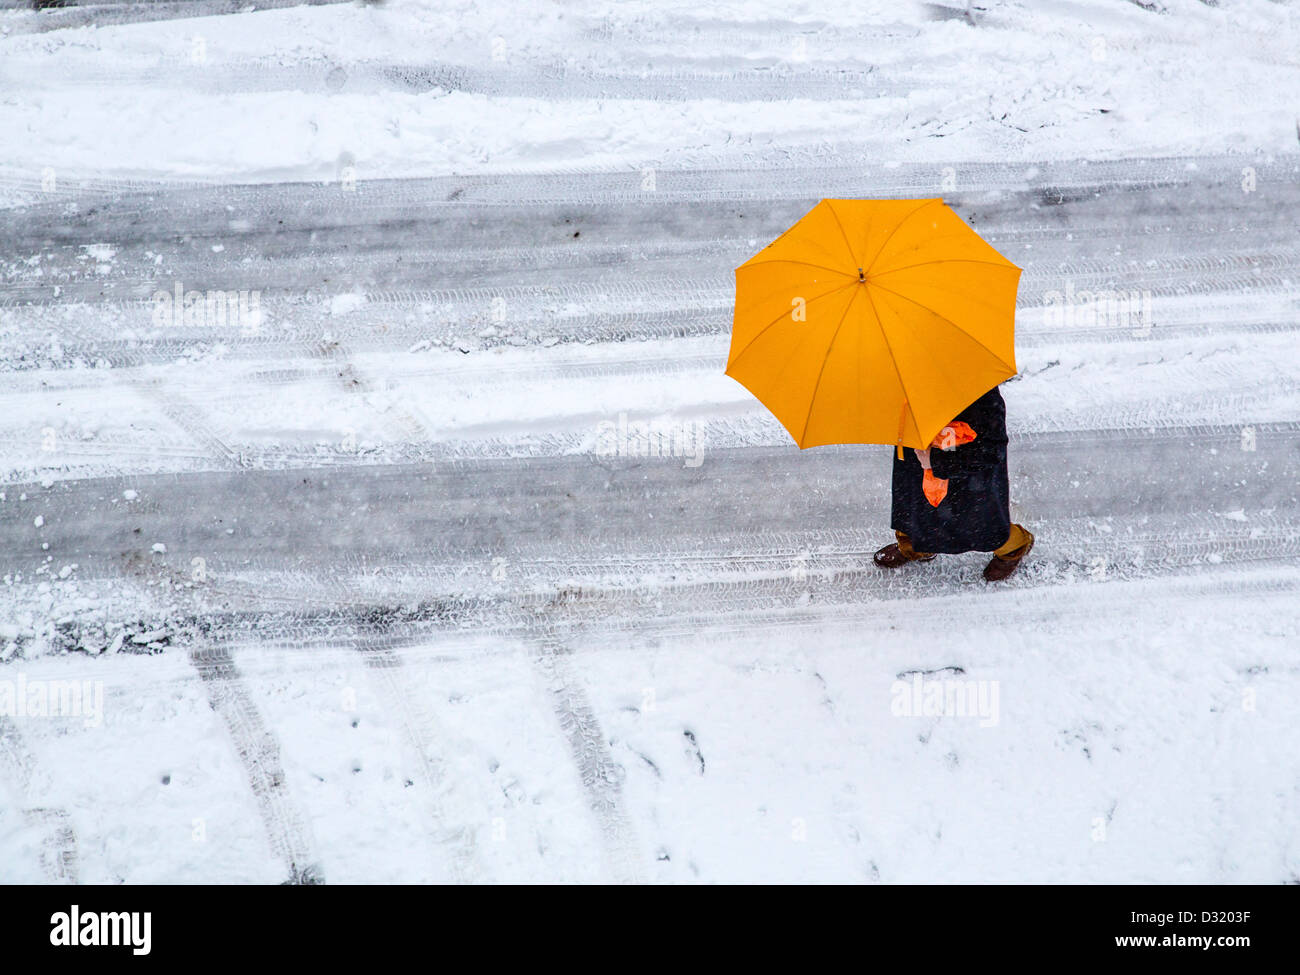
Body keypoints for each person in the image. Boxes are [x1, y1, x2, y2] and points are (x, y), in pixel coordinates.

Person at [873, 385, 1033, 582]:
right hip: (918, 470)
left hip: (967, 481)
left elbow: (992, 449)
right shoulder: (908, 378)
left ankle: (1013, 547)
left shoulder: (979, 390)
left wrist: (937, 461)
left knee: (980, 526)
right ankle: (916, 547)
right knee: (915, 515)